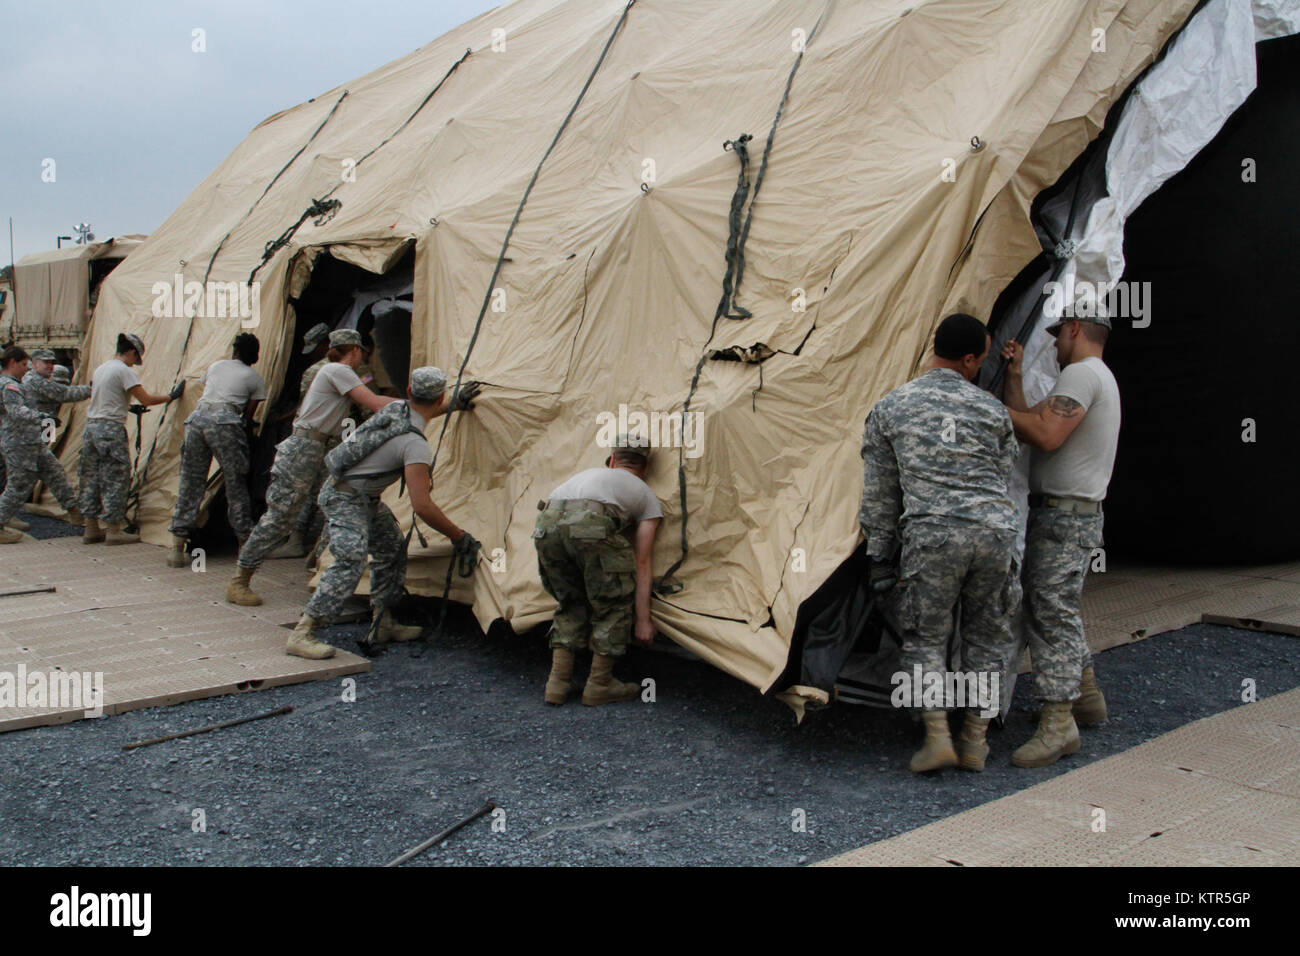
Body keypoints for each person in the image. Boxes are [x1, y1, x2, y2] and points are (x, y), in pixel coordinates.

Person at [860, 313, 1020, 773]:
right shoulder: (992, 410)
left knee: (924, 640)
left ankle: (936, 737)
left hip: (933, 537)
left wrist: (877, 558)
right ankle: (975, 741)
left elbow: (880, 496)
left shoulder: (891, 407)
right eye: (981, 360)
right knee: (988, 641)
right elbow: (1002, 477)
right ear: (969, 359)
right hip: (993, 536)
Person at [288, 366, 480, 659]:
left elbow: (427, 409)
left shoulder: (396, 410)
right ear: (440, 395)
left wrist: (455, 403)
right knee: (350, 558)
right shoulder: (415, 446)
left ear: (408, 392)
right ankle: (303, 632)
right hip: (346, 499)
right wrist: (458, 536)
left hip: (358, 496)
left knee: (391, 548)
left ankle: (383, 622)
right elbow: (422, 506)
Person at [1001, 313, 1120, 768]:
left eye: (1057, 337)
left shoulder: (1081, 373)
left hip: (1065, 519)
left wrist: (977, 406)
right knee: (1054, 607)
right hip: (1065, 516)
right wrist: (1013, 379)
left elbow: (1046, 434)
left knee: (1051, 614)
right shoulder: (1094, 377)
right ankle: (1085, 697)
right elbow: (1034, 421)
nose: (1052, 348)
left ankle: (1059, 724)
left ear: (1074, 329)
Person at [226, 329, 393, 605]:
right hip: (304, 449)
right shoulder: (338, 370)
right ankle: (239, 580)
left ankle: (323, 572)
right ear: (354, 350)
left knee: (334, 508)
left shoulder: (335, 370)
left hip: (322, 447)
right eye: (361, 351)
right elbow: (375, 404)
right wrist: (425, 405)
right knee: (280, 517)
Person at [533, 433, 662, 707]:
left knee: (570, 602)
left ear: (612, 460)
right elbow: (642, 561)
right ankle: (599, 684)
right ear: (646, 467)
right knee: (611, 605)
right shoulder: (647, 497)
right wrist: (643, 620)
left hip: (546, 525)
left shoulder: (585, 474)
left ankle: (557, 682)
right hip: (589, 527)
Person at [166, 333, 267, 567]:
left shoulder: (216, 366)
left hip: (197, 420)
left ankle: (176, 548)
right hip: (226, 423)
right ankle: (244, 544)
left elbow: (208, 389)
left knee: (191, 483)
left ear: (236, 351)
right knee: (236, 485)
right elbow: (246, 416)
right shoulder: (254, 378)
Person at [79, 334, 184, 545]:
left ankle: (91, 528)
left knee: (91, 478)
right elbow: (146, 398)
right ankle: (114, 530)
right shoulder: (123, 371)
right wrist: (170, 397)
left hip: (91, 428)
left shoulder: (102, 368)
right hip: (110, 430)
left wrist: (127, 406)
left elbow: (107, 398)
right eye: (136, 359)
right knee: (116, 478)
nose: (134, 364)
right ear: (132, 352)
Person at [11, 348, 93, 528]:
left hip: (38, 436)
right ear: (35, 364)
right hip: (26, 439)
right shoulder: (35, 381)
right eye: (45, 362)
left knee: (54, 472)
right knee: (21, 481)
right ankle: (4, 518)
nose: (50, 365)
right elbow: (64, 394)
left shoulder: (38, 380)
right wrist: (92, 389)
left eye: (51, 362)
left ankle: (74, 513)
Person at [0, 347, 43, 543]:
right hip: (11, 438)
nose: (27, 369)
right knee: (15, 482)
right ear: (12, 362)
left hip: (8, 437)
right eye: (24, 365)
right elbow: (16, 412)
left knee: (9, 480)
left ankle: (7, 517)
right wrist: (41, 417)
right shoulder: (9, 385)